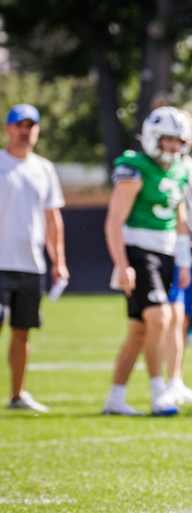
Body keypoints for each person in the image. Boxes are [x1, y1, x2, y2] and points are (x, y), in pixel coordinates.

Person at [102, 106, 191, 416]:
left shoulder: (179, 171)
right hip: (139, 251)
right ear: (153, 137)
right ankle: (158, 392)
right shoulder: (135, 167)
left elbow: (180, 221)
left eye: (177, 140)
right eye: (167, 139)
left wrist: (183, 262)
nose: (173, 147)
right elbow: (114, 221)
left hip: (166, 253)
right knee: (160, 318)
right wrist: (121, 263)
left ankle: (115, 397)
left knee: (139, 330)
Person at [0, 104, 67, 413]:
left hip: (30, 264)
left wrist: (58, 260)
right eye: (19, 125)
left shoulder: (44, 169)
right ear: (8, 129)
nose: (25, 131)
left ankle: (17, 395)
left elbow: (53, 218)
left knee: (22, 331)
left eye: (31, 126)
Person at [163, 109, 192, 405]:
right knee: (172, 316)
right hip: (173, 247)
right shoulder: (167, 168)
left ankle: (176, 378)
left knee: (188, 317)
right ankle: (168, 380)